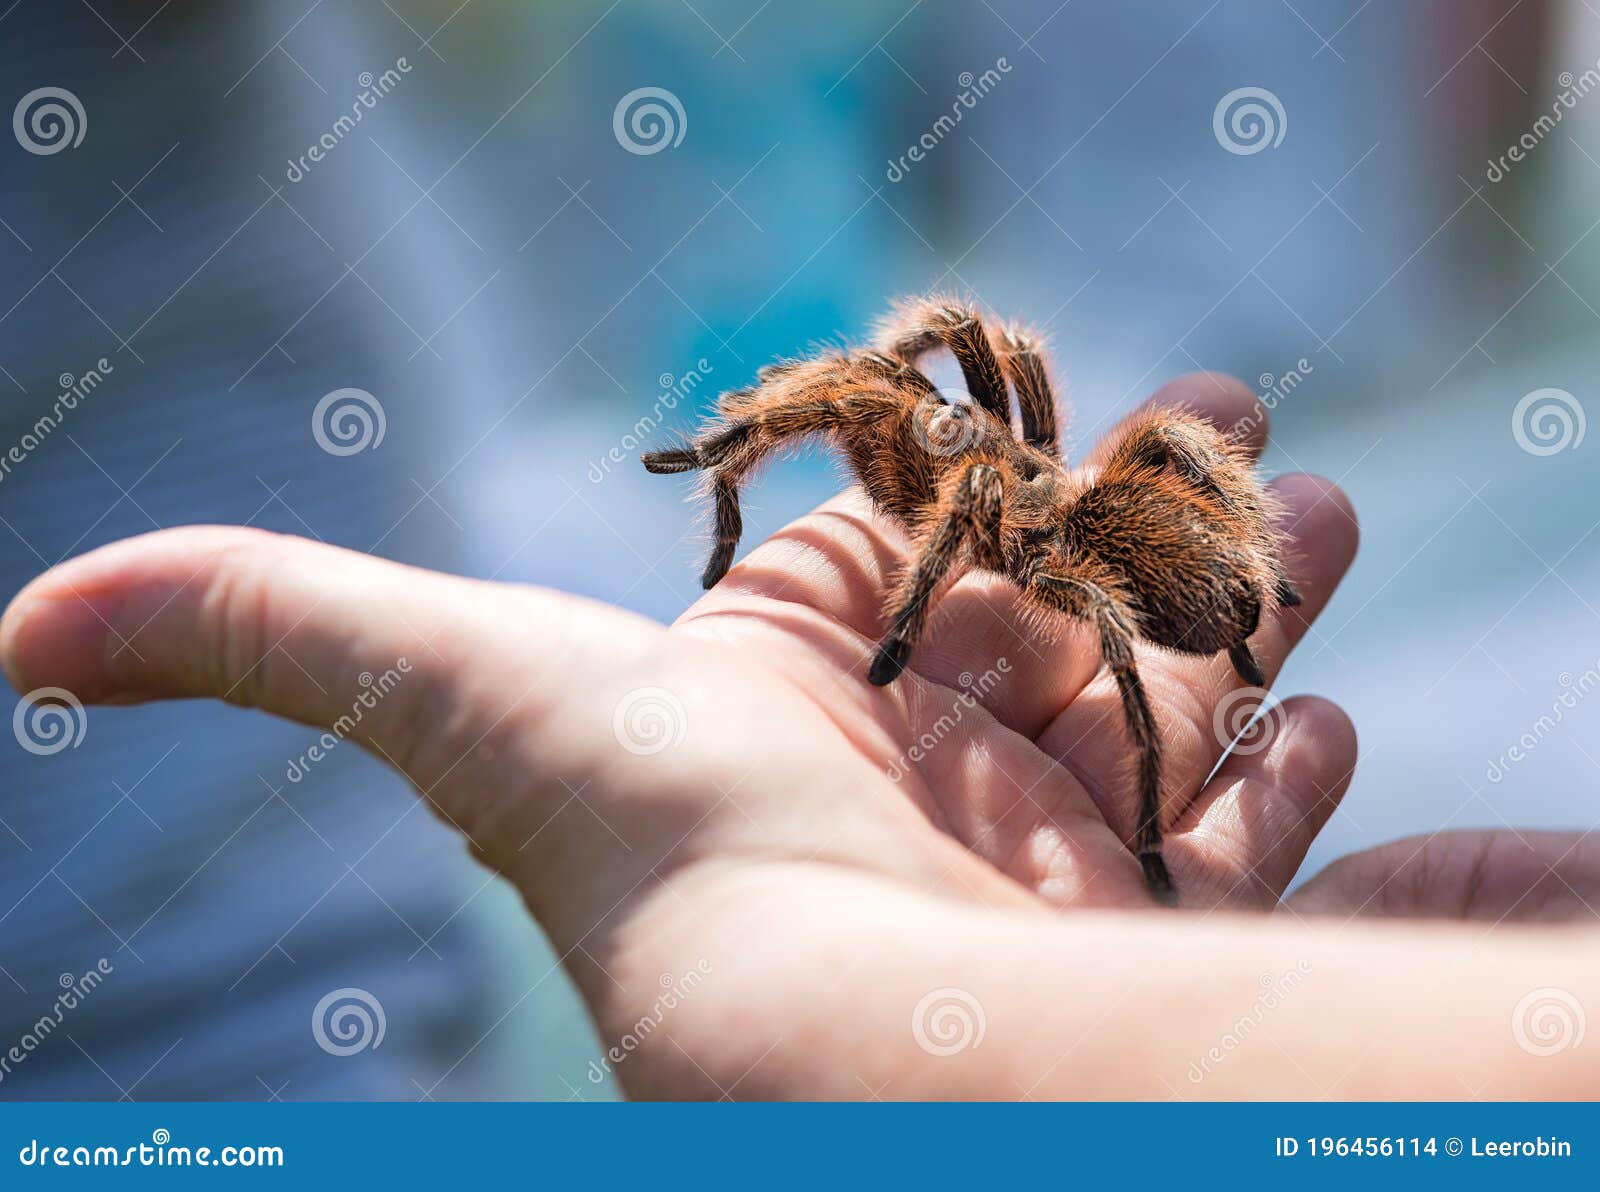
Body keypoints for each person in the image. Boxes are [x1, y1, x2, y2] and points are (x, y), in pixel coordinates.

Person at [4, 374, 1594, 1099]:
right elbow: (927, 389)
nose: (941, 421)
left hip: (1125, 568)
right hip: (1124, 548)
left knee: (1125, 520)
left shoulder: (1032, 520)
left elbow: (1046, 520)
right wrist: (739, 457)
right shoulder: (995, 456)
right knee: (952, 401)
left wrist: (905, 638)